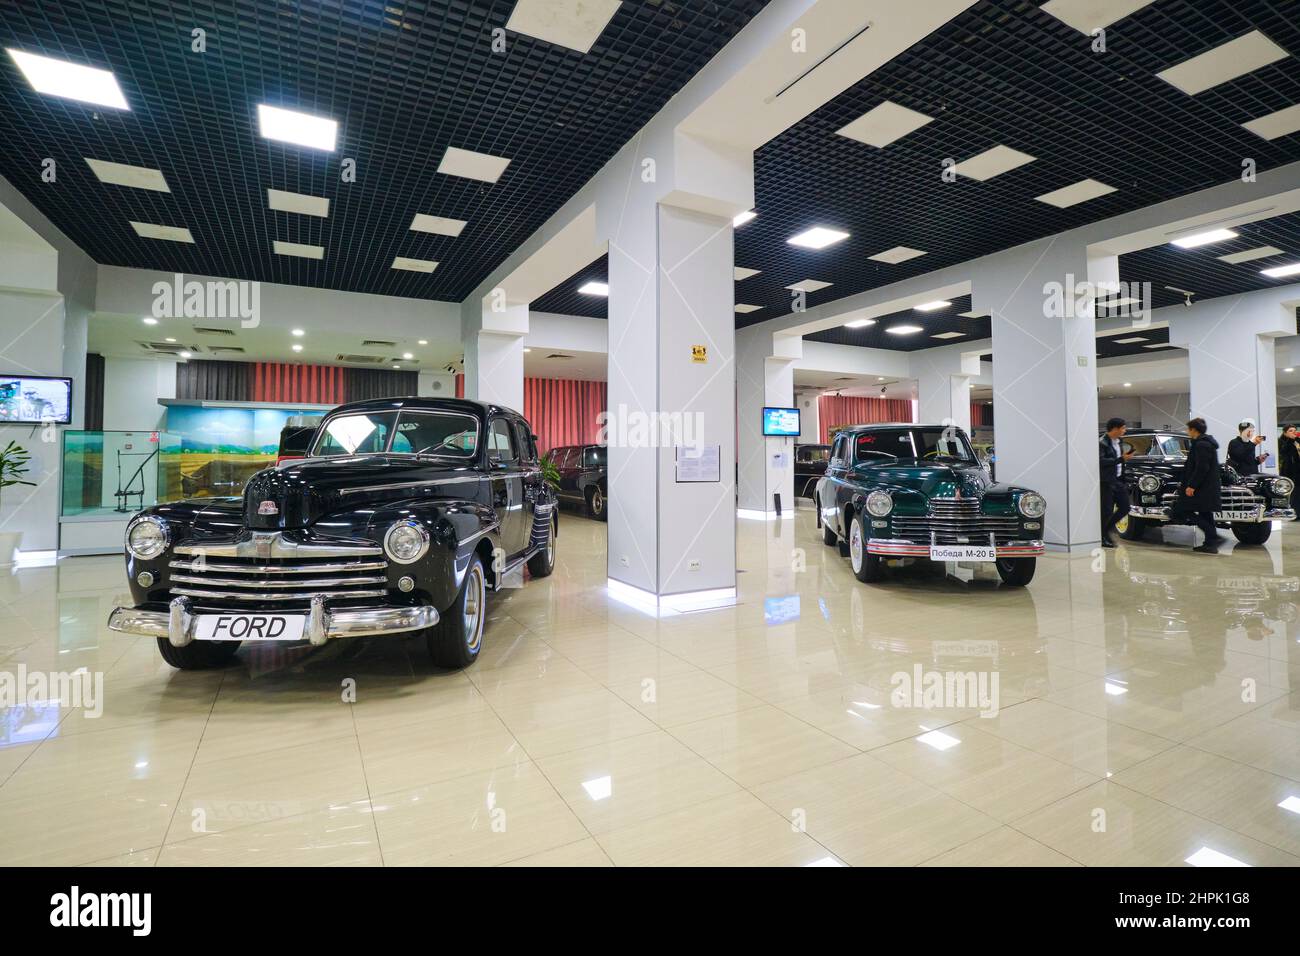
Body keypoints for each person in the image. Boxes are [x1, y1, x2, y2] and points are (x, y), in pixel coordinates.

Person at [1173, 417, 1223, 554]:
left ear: (1193, 430)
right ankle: (1210, 544)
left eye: (1188, 429)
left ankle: (1214, 536)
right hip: (1206, 486)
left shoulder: (1202, 445)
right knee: (1205, 513)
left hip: (1202, 487)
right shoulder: (1205, 443)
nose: (1186, 431)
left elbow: (1202, 467)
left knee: (1184, 509)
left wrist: (1192, 485)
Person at [1098, 417, 1131, 548]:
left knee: (1125, 507)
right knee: (1106, 511)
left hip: (1118, 480)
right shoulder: (1102, 443)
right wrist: (1121, 459)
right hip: (1107, 481)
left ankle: (1107, 530)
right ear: (1115, 429)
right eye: (1123, 428)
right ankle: (1103, 536)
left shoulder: (1120, 441)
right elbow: (1101, 462)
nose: (1125, 430)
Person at [1280, 424, 1300, 519]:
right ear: (1285, 433)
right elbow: (1283, 452)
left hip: (1298, 470)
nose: (1293, 432)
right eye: (1291, 431)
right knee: (1293, 493)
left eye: (1294, 430)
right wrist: (1291, 440)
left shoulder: (1297, 441)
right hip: (1290, 471)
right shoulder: (1283, 442)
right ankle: (1294, 513)